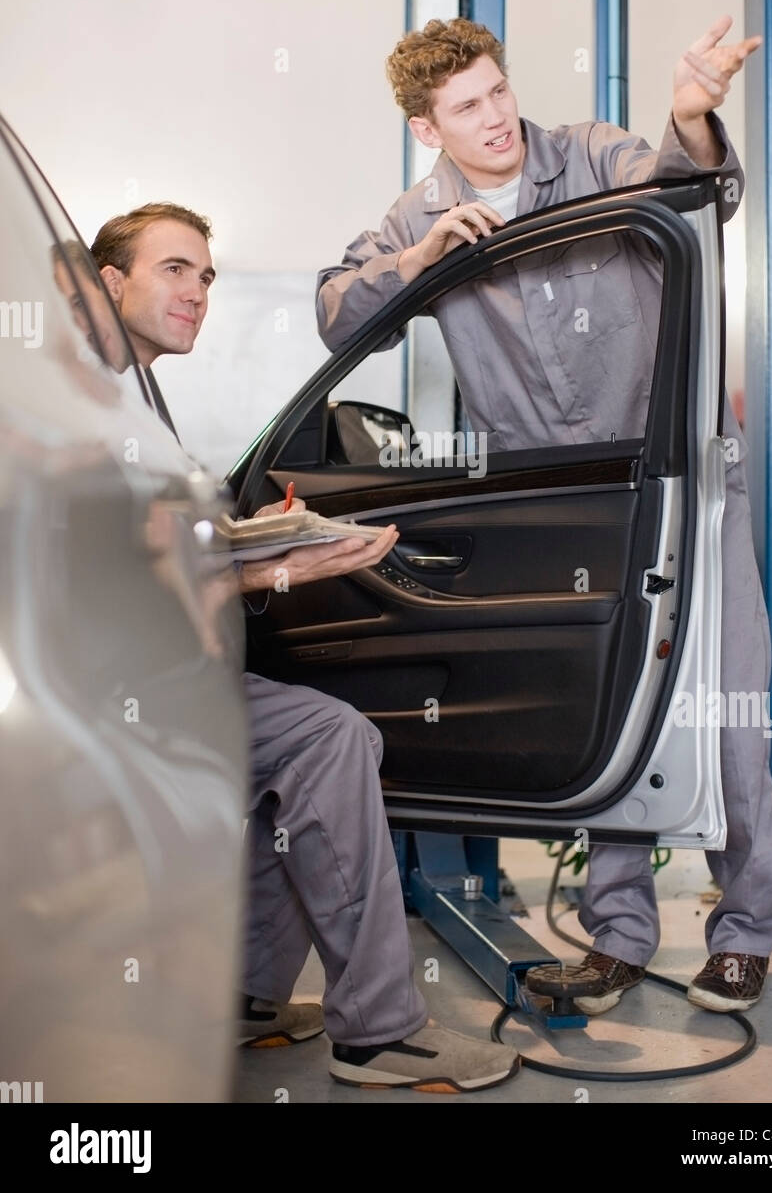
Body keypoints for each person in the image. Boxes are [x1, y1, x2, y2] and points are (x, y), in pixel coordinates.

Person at [316, 15, 772, 1014]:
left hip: (680, 484)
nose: (494, 118)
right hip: (567, 511)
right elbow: (333, 314)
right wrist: (416, 268)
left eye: (495, 91)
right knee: (603, 712)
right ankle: (617, 938)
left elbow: (692, 191)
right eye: (464, 108)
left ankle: (744, 931)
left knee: (725, 709)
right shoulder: (413, 217)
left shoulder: (591, 153)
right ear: (424, 127)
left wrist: (690, 114)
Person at [88, 202, 519, 1092]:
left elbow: (154, 538)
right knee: (328, 738)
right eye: (175, 269)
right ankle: (380, 1034)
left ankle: (244, 998)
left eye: (206, 276)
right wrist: (265, 572)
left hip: (156, 678)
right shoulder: (87, 400)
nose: (198, 292)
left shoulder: (132, 388)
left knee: (308, 745)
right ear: (110, 281)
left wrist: (257, 536)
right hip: (110, 700)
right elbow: (101, 576)